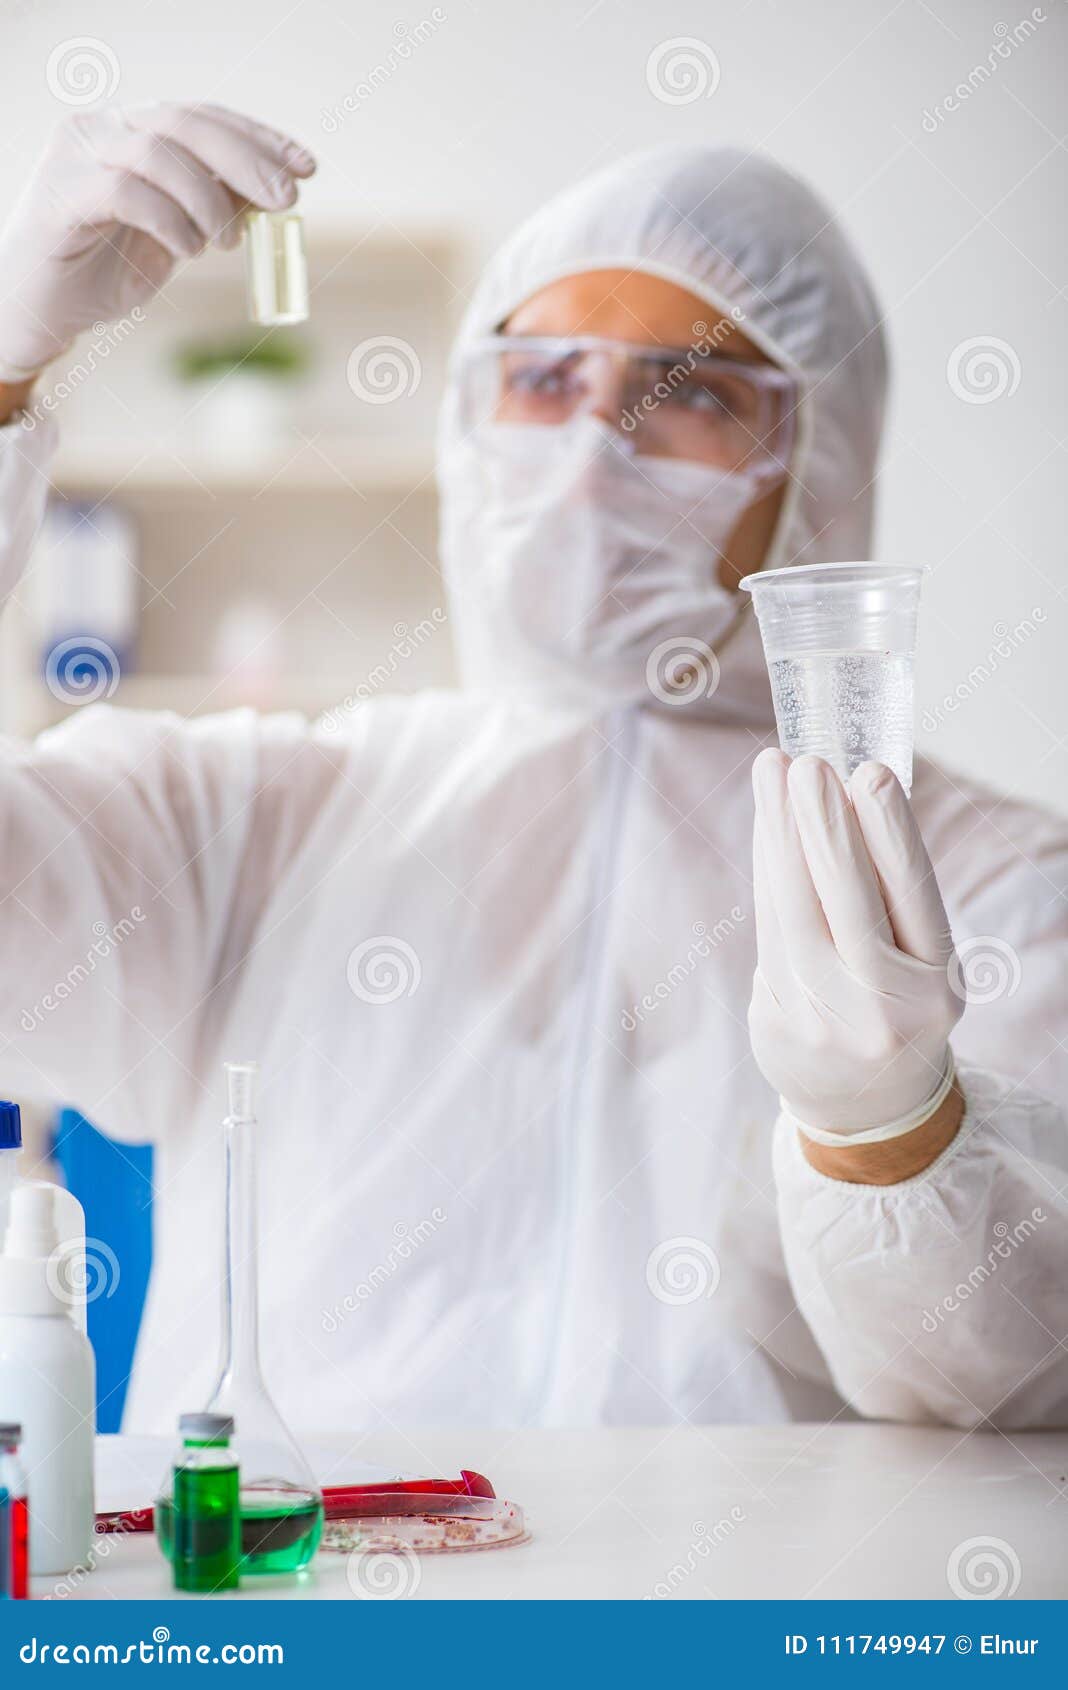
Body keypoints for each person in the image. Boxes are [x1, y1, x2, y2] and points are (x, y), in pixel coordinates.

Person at [0, 106, 1064, 1435]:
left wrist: (895, 1135)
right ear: (471, 415)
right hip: (297, 1612)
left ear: (822, 458)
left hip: (739, 1631)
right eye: (546, 381)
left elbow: (1023, 1376)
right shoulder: (257, 816)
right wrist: (1, 381)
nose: (590, 453)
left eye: (695, 394)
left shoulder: (990, 884)